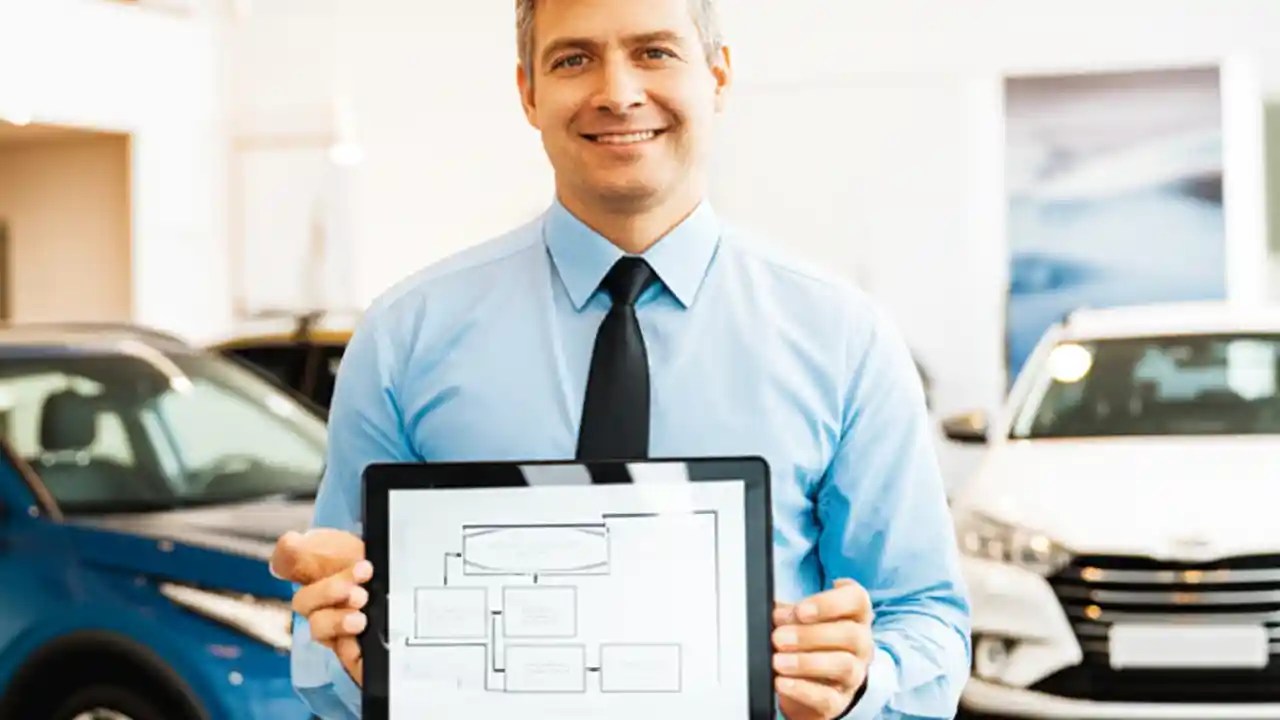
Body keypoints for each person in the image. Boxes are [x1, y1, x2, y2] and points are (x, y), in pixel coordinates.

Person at [270, 0, 972, 717]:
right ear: (528, 93)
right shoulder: (403, 339)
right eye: (573, 59)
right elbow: (319, 643)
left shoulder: (844, 338)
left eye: (655, 52)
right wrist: (356, 662)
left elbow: (927, 623)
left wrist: (860, 681)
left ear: (718, 76)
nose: (617, 92)